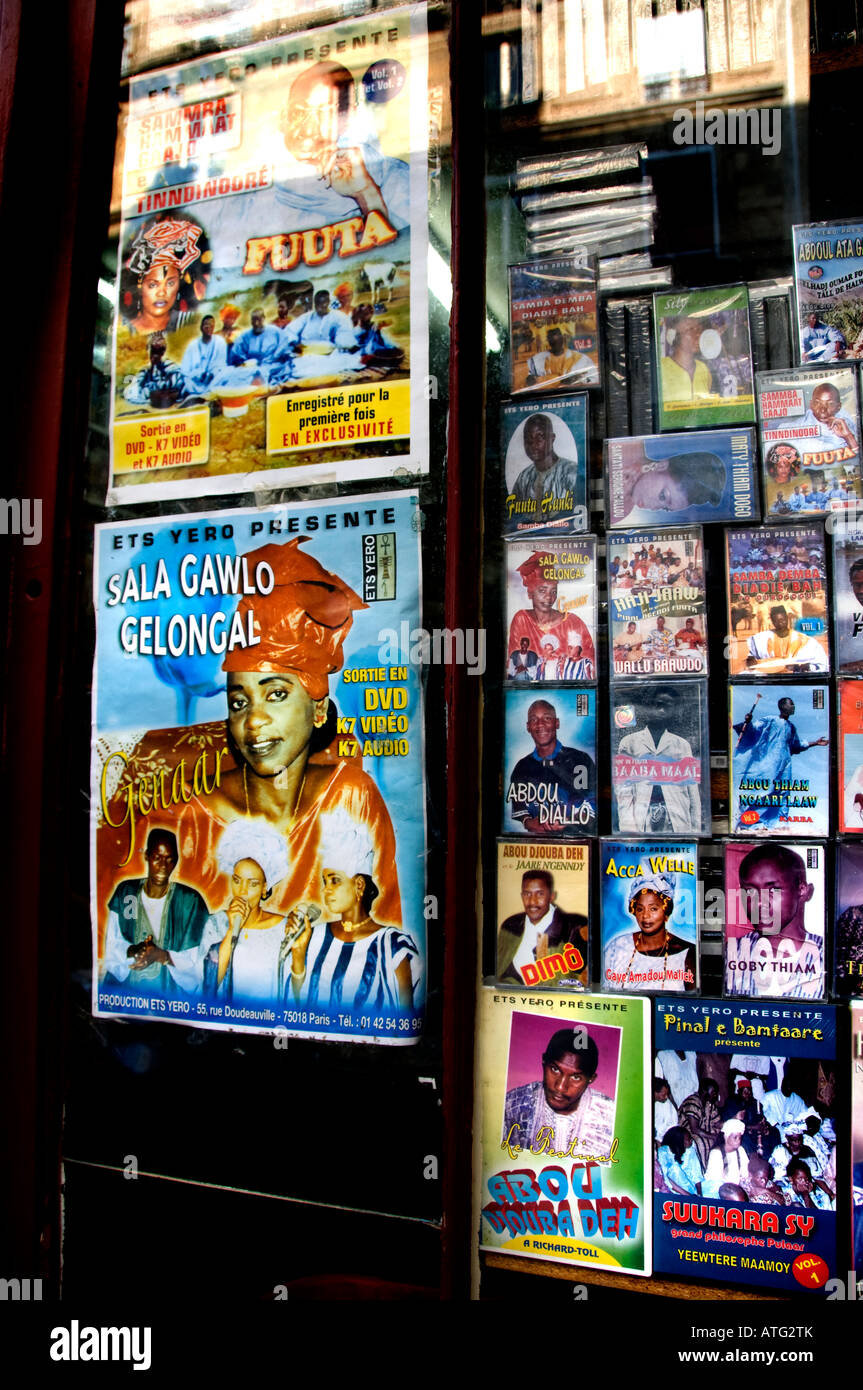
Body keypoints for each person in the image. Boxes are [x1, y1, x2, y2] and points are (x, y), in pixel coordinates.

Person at [98, 537, 403, 937]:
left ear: (319, 709)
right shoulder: (196, 813)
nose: (254, 721)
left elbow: (382, 931)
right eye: (239, 701)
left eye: (276, 695)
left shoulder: (352, 796)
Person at [288, 809, 419, 1014]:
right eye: (325, 881)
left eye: (335, 880)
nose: (326, 890)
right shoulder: (314, 936)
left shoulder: (393, 945)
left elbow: (402, 1018)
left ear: (359, 885)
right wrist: (297, 954)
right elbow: (294, 1008)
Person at [100, 829, 209, 995]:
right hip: (127, 999)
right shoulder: (126, 892)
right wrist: (133, 951)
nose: (163, 867)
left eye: (169, 859)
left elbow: (196, 969)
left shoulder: (190, 902)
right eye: (157, 858)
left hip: (171, 1005)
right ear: (147, 856)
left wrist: (162, 956)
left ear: (176, 861)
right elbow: (112, 948)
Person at [200, 819, 291, 1002]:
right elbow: (208, 984)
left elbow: (292, 988)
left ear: (265, 888)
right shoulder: (216, 923)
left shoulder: (283, 927)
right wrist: (232, 929)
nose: (242, 891)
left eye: (253, 884)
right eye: (237, 880)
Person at [725, 844, 824, 999]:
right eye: (750, 891)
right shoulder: (731, 953)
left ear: (803, 890)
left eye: (773, 890)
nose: (759, 902)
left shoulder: (828, 957)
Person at [502, 1028, 615, 1158]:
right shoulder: (512, 1106)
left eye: (576, 1077)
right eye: (555, 1069)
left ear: (591, 1079)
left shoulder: (610, 1117)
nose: (560, 1087)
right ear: (544, 1062)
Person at [614, 686, 702, 834]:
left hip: (677, 822)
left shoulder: (682, 745)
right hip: (642, 821)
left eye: (667, 706)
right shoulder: (629, 743)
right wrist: (629, 831)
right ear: (648, 706)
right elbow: (624, 793)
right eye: (657, 704)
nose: (661, 711)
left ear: (674, 711)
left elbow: (693, 795)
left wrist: (695, 830)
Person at [732, 696, 828, 832]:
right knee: (763, 793)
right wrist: (748, 722)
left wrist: (815, 743)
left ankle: (779, 824)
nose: (793, 707)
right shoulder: (770, 720)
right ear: (783, 706)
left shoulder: (791, 727)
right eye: (791, 704)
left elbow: (796, 745)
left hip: (785, 767)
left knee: (783, 793)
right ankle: (749, 823)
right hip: (769, 765)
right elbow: (753, 730)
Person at [506, 698, 596, 836]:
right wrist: (529, 822)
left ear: (557, 723)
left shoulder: (580, 759)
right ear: (528, 726)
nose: (540, 724)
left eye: (547, 718)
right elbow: (521, 811)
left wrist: (569, 820)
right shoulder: (522, 767)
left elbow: (594, 804)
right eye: (534, 719)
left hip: (576, 844)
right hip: (538, 848)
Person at [603, 872, 696, 993]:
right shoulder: (617, 947)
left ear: (666, 912)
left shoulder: (688, 952)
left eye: (653, 909)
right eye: (640, 909)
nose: (645, 916)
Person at [497, 869, 588, 986]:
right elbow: (499, 972)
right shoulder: (510, 925)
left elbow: (581, 983)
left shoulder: (575, 928)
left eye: (540, 894)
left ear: (551, 896)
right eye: (527, 894)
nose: (532, 901)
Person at [120, 216, 208, 334]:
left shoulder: (192, 321)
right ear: (140, 285)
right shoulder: (124, 328)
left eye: (170, 283)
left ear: (178, 284)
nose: (162, 292)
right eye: (153, 285)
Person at [508, 553, 595, 668]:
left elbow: (590, 664)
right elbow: (512, 662)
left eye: (553, 591)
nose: (549, 597)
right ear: (531, 593)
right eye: (542, 591)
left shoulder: (573, 622)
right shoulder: (521, 619)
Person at [507, 413, 582, 529]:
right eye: (528, 439)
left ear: (552, 438)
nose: (533, 445)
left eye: (539, 438)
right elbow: (513, 518)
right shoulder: (524, 477)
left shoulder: (570, 473)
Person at [616, 449, 726, 524]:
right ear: (661, 466)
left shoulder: (621, 511)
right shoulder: (626, 449)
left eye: (665, 508)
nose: (654, 508)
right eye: (662, 496)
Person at [282, 289, 361, 377]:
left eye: (323, 303)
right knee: (295, 367)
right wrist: (293, 343)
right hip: (306, 355)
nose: (319, 306)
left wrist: (338, 344)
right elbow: (290, 331)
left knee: (346, 361)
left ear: (328, 302)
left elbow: (344, 341)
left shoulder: (339, 317)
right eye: (317, 303)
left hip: (330, 356)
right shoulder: (307, 317)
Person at [744, 604, 828, 673]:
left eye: (782, 620)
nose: (780, 623)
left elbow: (822, 664)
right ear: (772, 621)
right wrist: (750, 660)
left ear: (787, 618)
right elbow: (750, 657)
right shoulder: (761, 639)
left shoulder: (804, 640)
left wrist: (808, 666)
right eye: (776, 621)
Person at [122, 332, 191, 408]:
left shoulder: (169, 366)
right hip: (152, 391)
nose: (155, 355)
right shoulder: (145, 371)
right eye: (153, 351)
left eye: (159, 351)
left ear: (163, 352)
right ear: (149, 350)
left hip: (168, 389)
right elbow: (139, 384)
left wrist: (163, 384)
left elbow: (177, 379)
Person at [660, 316, 712, 403]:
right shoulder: (661, 369)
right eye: (690, 329)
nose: (698, 334)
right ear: (674, 335)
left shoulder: (704, 369)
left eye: (700, 329)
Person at [525, 326, 594, 389]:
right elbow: (530, 378)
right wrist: (530, 379)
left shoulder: (579, 358)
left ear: (562, 339)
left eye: (558, 340)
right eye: (552, 341)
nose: (555, 344)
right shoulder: (538, 360)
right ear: (548, 342)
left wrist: (578, 378)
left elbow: (593, 378)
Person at [678, 1079, 722, 1171]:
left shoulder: (709, 1103)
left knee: (722, 1137)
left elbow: (717, 1122)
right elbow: (694, 1129)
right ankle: (703, 1172)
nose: (715, 1095)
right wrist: (713, 1136)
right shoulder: (692, 1103)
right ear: (704, 1091)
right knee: (701, 1143)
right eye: (713, 1092)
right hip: (689, 1133)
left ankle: (715, 1171)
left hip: (704, 1130)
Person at [180, 314, 228, 394]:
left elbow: (221, 364)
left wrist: (212, 374)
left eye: (212, 326)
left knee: (226, 373)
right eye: (207, 326)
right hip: (196, 382)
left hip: (214, 379)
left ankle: (211, 392)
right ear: (201, 328)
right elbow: (185, 369)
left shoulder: (220, 342)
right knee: (186, 380)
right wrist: (199, 375)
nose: (209, 328)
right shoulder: (193, 345)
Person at [228, 308, 284, 376]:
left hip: (272, 365)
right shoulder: (245, 336)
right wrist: (245, 363)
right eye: (254, 320)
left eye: (259, 320)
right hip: (250, 368)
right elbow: (236, 353)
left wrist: (274, 358)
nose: (256, 323)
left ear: (263, 319)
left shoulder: (275, 331)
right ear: (251, 321)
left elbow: (283, 346)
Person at [703, 1118, 750, 1198]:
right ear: (726, 1137)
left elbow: (746, 1173)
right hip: (722, 1192)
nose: (738, 1140)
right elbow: (715, 1182)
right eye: (735, 1137)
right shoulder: (716, 1153)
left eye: (740, 1137)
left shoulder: (740, 1150)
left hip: (738, 1189)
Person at [352, 302, 405, 369]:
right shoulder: (357, 330)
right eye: (366, 314)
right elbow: (358, 344)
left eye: (370, 313)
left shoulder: (372, 325)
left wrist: (379, 326)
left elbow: (390, 321)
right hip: (363, 351)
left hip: (375, 349)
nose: (370, 315)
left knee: (393, 349)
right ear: (359, 315)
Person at [656, 1126, 703, 1195]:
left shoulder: (690, 1150)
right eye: (688, 1139)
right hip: (675, 1190)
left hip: (691, 1189)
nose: (691, 1140)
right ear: (679, 1141)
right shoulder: (663, 1152)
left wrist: (700, 1194)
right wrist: (687, 1195)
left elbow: (696, 1175)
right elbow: (665, 1178)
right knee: (675, 1169)